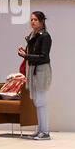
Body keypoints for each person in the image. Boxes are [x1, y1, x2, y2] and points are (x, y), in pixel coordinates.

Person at [18, 10, 52, 139]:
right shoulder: (33, 35)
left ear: (42, 21)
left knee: (41, 101)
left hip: (41, 70)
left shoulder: (45, 36)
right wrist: (24, 53)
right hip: (33, 69)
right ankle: (40, 130)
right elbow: (32, 54)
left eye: (35, 20)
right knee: (37, 101)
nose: (32, 22)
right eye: (31, 19)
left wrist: (26, 56)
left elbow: (43, 56)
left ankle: (45, 131)